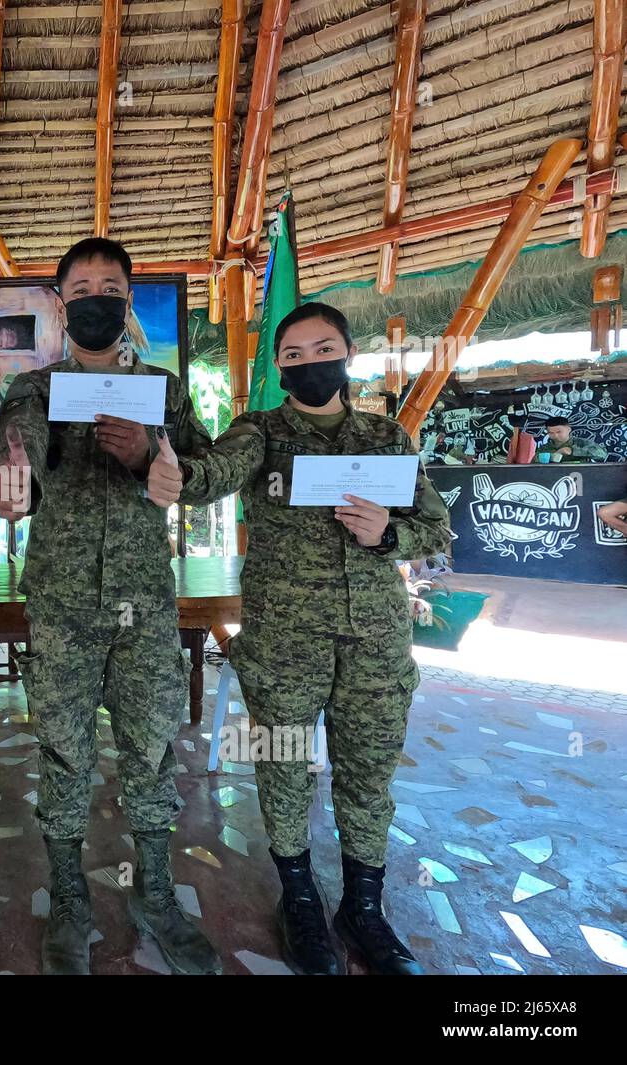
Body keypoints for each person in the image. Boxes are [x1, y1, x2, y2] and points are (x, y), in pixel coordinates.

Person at [168, 302, 451, 975]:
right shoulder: (260, 431)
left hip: (375, 646)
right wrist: (169, 460)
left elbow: (435, 530)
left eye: (321, 349)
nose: (308, 363)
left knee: (367, 778)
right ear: (279, 368)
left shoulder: (387, 439)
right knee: (284, 769)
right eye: (292, 355)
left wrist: (389, 533)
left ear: (347, 354)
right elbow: (211, 475)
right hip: (284, 648)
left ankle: (364, 908)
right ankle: (299, 899)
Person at [0, 236, 221, 976]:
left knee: (152, 750)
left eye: (110, 285)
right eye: (81, 286)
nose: (97, 296)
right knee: (63, 752)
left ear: (127, 299)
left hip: (144, 605)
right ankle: (68, 901)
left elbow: (207, 470)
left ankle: (156, 894)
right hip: (59, 606)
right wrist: (10, 482)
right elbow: (15, 471)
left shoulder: (163, 388)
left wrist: (157, 463)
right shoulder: (30, 390)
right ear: (62, 305)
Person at [536, 416, 608, 462]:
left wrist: (572, 451)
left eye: (559, 432)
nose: (555, 435)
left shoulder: (582, 443)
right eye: (551, 433)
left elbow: (602, 454)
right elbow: (533, 465)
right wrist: (550, 457)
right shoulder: (544, 448)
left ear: (568, 429)